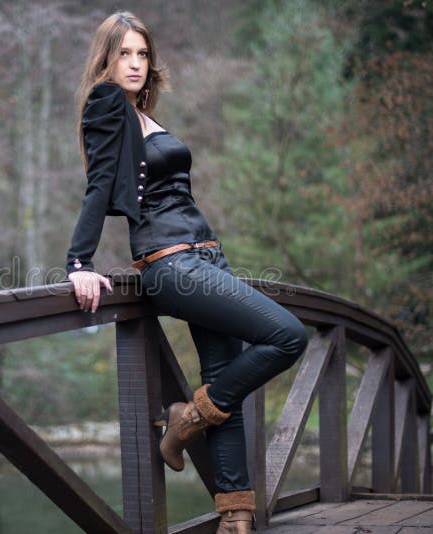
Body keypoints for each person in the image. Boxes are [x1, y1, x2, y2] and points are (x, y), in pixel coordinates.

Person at [65, 11, 308, 534]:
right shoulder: (109, 106)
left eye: (142, 54)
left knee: (225, 381)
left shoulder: (142, 114)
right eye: (123, 54)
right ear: (105, 60)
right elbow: (98, 185)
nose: (134, 64)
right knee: (288, 336)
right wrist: (79, 263)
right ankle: (185, 421)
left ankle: (235, 517)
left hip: (205, 255)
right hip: (170, 263)